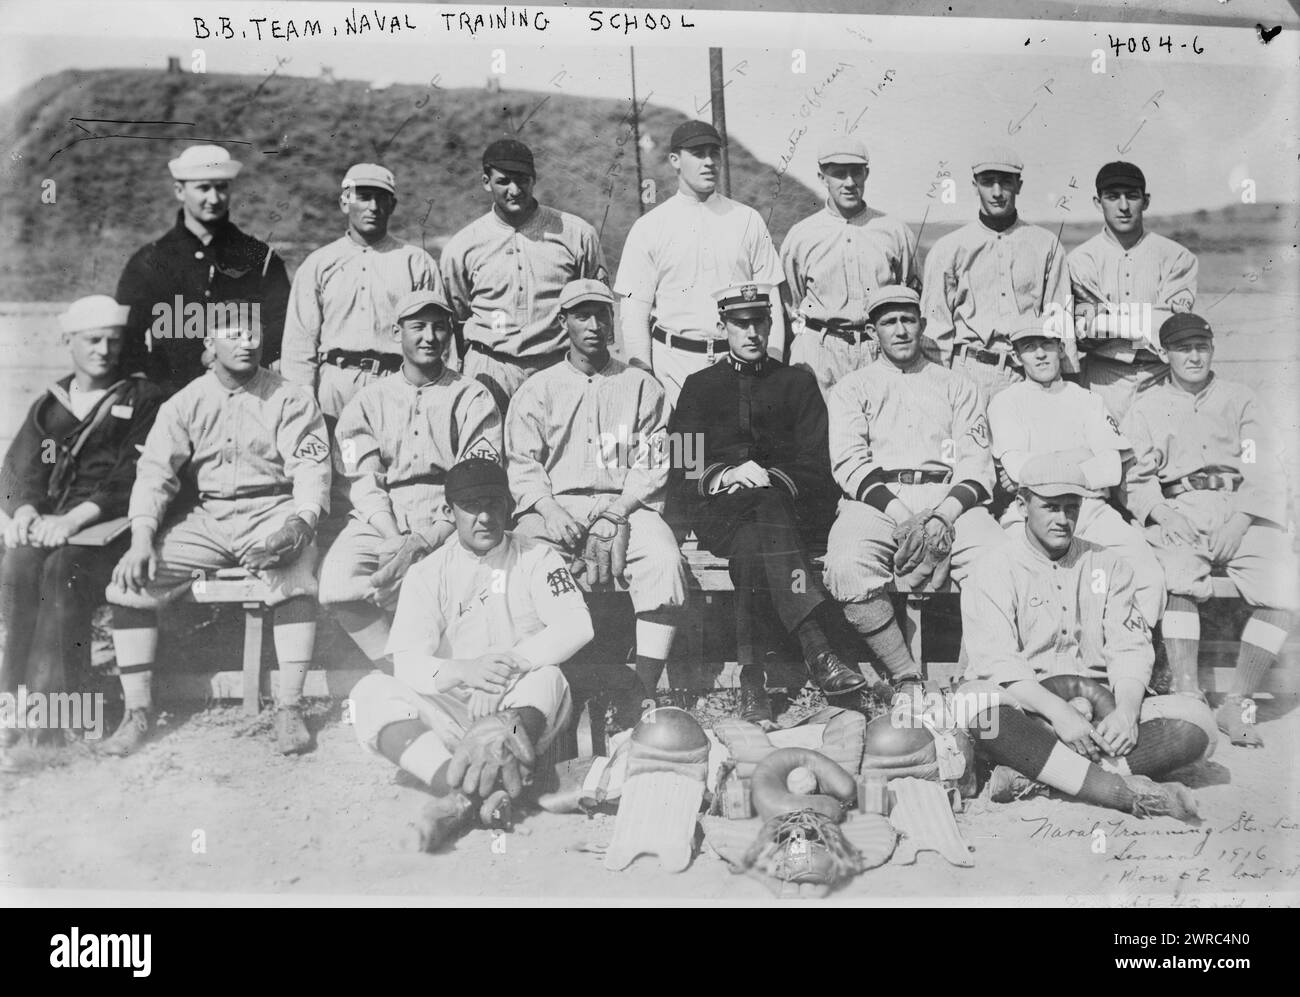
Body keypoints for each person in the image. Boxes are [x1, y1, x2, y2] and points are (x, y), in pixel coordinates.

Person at [103, 310, 331, 757]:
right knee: (131, 582)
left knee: (295, 573)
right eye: (234, 334)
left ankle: (289, 706)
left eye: (253, 333)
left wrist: (301, 522)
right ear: (210, 342)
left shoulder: (290, 397)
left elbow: (310, 465)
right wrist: (142, 538)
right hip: (210, 518)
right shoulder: (186, 401)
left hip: (272, 508)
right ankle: (138, 711)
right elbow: (155, 473)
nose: (246, 343)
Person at [348, 458, 591, 852]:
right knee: (368, 694)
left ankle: (461, 800)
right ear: (448, 511)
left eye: (494, 504)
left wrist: (507, 667)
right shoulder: (428, 572)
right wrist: (464, 670)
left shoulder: (537, 558)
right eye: (470, 506)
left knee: (548, 679)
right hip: (452, 713)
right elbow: (407, 662)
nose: (484, 516)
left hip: (515, 715)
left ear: (509, 506)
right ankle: (462, 788)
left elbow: (578, 625)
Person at [957, 453, 1215, 821]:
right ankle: (1112, 789)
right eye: (1050, 507)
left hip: (1100, 714)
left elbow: (1129, 648)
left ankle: (1036, 776)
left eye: (1071, 507)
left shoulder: (1108, 564)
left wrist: (1126, 711)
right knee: (975, 706)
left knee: (1198, 723)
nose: (1063, 519)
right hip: (1029, 709)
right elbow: (999, 662)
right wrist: (1057, 712)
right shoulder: (994, 567)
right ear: (1021, 504)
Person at [670, 284, 867, 725]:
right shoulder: (699, 387)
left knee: (756, 536)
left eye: (760, 321)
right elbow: (683, 464)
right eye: (741, 324)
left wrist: (770, 480)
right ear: (723, 328)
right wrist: (726, 475)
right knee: (761, 518)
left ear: (771, 324)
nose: (752, 332)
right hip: (720, 510)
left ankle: (751, 679)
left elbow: (818, 464)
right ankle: (817, 649)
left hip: (786, 509)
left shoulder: (796, 383)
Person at [506, 279, 687, 722]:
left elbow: (657, 458)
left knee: (663, 560)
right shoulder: (538, 388)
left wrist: (619, 511)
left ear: (612, 322)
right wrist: (548, 510)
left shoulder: (642, 385)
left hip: (625, 503)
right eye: (581, 315)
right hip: (555, 505)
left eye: (601, 314)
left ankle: (642, 692)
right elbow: (522, 463)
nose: (593, 324)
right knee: (522, 566)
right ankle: (543, 687)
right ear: (562, 321)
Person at [1122, 313, 1298, 747]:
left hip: (1242, 507)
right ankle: (1186, 691)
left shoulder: (1241, 400)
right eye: (1183, 349)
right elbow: (1133, 477)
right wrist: (1162, 514)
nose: (1194, 356)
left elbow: (1264, 467)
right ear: (1167, 354)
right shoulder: (1146, 406)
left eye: (1201, 347)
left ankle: (1238, 702)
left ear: (1213, 348)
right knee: (1176, 570)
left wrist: (1241, 521)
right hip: (1182, 506)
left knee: (1283, 584)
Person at [824, 286, 1006, 697]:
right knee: (846, 564)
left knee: (997, 560)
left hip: (948, 498)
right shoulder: (852, 387)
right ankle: (905, 674)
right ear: (873, 332)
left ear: (922, 325)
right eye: (889, 322)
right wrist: (906, 517)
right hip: (876, 500)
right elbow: (849, 462)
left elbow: (975, 462)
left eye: (909, 319)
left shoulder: (957, 385)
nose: (901, 330)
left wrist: (943, 515)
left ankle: (976, 677)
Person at [0, 297, 164, 751]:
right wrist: (27, 511)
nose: (104, 351)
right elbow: (19, 472)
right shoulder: (51, 406)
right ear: (68, 342)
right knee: (17, 565)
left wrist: (74, 518)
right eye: (93, 341)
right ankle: (12, 703)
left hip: (114, 527)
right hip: (56, 524)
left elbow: (132, 476)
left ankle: (59, 719)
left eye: (113, 341)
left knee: (62, 570)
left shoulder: (142, 399)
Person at [318, 289, 503, 667]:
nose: (429, 338)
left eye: (439, 328)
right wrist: (393, 539)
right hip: (385, 513)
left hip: (453, 514)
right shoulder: (369, 400)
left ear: (450, 335)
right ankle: (401, 672)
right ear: (395, 333)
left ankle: (447, 673)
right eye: (418, 327)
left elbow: (478, 478)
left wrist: (426, 538)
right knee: (337, 578)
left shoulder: (472, 396)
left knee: (463, 586)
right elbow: (363, 480)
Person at [987, 322, 1164, 626]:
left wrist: (1046, 463)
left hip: (1089, 510)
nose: (1040, 355)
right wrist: (1083, 455)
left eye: (1047, 344)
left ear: (1061, 348)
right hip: (1032, 512)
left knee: (1147, 573)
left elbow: (1110, 469)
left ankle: (1126, 651)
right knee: (1012, 575)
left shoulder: (1088, 400)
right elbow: (1018, 470)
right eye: (1030, 347)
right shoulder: (1006, 402)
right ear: (1017, 357)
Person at [616, 121, 786, 407]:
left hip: (739, 364)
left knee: (739, 451)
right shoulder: (650, 227)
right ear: (675, 160)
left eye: (714, 153)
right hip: (674, 367)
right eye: (697, 153)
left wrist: (774, 363)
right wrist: (644, 372)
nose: (708, 162)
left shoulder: (747, 220)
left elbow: (772, 300)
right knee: (687, 450)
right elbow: (634, 310)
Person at [441, 140, 609, 413]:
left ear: (534, 179)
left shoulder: (576, 233)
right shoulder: (463, 245)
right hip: (490, 367)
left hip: (556, 363)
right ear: (486, 182)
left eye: (522, 180)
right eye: (503, 181)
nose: (514, 190)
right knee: (489, 450)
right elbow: (456, 315)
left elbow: (596, 307)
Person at [115, 145, 290, 392]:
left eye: (221, 187)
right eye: (203, 188)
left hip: (245, 395)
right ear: (179, 190)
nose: (214, 198)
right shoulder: (149, 260)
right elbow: (127, 338)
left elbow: (282, 329)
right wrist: (152, 387)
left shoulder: (260, 259)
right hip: (169, 397)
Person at [280, 163, 443, 425]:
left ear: (392, 205)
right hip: (334, 383)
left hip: (397, 382)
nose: (373, 207)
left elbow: (438, 337)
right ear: (345, 202)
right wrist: (303, 399)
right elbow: (299, 343)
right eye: (364, 197)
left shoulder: (416, 262)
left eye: (381, 199)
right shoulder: (319, 263)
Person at [920, 147, 1076, 400]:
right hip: (968, 371)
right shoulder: (948, 248)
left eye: (1005, 182)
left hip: (1028, 373)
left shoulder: (1046, 244)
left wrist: (1066, 382)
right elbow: (936, 330)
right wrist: (937, 389)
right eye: (987, 182)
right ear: (975, 185)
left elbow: (1060, 318)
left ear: (1019, 185)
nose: (996, 192)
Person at [781, 137, 918, 395]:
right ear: (823, 177)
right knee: (820, 432)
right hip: (821, 352)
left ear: (866, 173)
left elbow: (910, 292)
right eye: (839, 174)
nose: (849, 182)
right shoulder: (801, 236)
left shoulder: (894, 231)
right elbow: (793, 300)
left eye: (856, 172)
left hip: (878, 350)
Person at [1067, 162, 1198, 421]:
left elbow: (1172, 327)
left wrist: (1105, 318)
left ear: (1146, 201)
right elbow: (1079, 330)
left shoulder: (1177, 257)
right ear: (1098, 202)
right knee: (1107, 458)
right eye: (1113, 197)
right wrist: (1149, 319)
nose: (1124, 206)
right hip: (1100, 379)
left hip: (1160, 376)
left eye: (1132, 196)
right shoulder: (1079, 261)